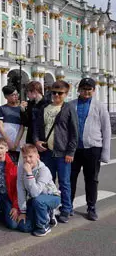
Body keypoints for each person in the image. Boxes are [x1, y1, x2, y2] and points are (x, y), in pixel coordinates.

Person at [33, 81, 78, 224]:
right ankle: (50, 208)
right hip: (46, 152)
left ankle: (66, 209)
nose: (56, 95)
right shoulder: (45, 108)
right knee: (47, 182)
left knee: (64, 183)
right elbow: (36, 128)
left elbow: (74, 133)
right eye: (54, 92)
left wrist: (70, 152)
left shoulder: (69, 108)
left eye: (60, 93)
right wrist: (36, 141)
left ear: (66, 94)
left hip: (63, 152)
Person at [69, 78, 111, 221]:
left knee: (91, 179)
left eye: (89, 89)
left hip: (93, 148)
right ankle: (68, 206)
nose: (86, 91)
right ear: (79, 90)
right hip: (73, 149)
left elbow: (106, 129)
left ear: (93, 90)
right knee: (70, 178)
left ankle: (91, 208)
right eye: (83, 88)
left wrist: (105, 152)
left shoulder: (99, 106)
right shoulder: (70, 105)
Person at [17, 144, 61, 237]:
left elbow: (35, 193)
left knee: (39, 200)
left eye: (30, 156)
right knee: (24, 227)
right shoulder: (21, 168)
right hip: (34, 199)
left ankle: (44, 226)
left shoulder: (44, 170)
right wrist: (23, 211)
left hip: (51, 197)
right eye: (25, 157)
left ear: (37, 157)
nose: (27, 160)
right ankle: (44, 216)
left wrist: (29, 173)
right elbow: (20, 189)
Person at [0, 85, 25, 164]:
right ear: (6, 97)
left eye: (16, 94)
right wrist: (9, 142)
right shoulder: (1, 109)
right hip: (3, 143)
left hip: (16, 143)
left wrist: (16, 143)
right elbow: (0, 126)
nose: (16, 96)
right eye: (12, 95)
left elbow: (22, 127)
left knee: (14, 166)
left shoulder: (21, 110)